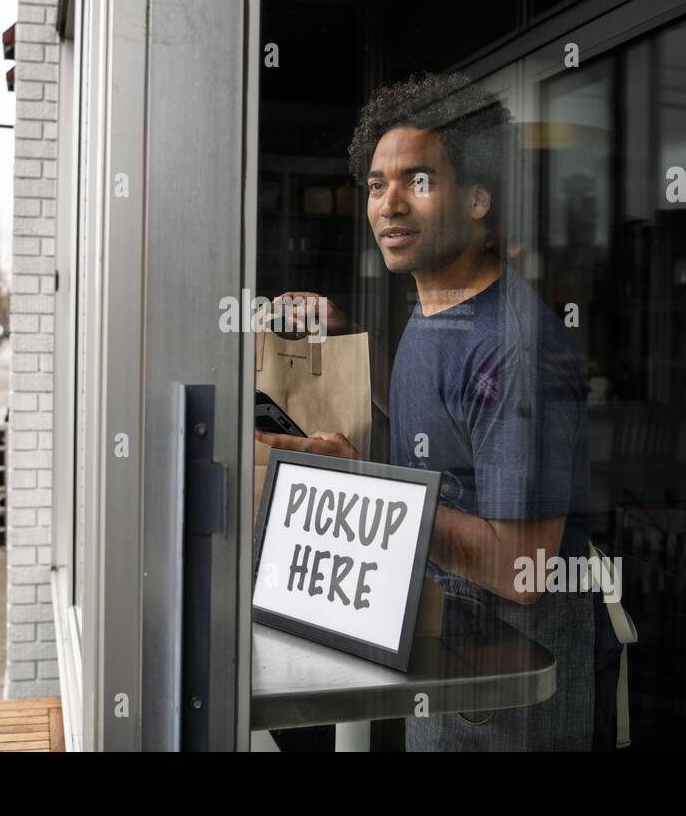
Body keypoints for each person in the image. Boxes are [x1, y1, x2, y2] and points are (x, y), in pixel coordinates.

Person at [256, 70, 611, 751]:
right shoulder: (437, 307)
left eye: (417, 182)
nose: (389, 205)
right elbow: (439, 415)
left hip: (512, 685)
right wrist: (349, 341)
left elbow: (522, 569)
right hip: (457, 654)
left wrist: (363, 488)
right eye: (376, 186)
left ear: (478, 197)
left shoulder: (515, 353)